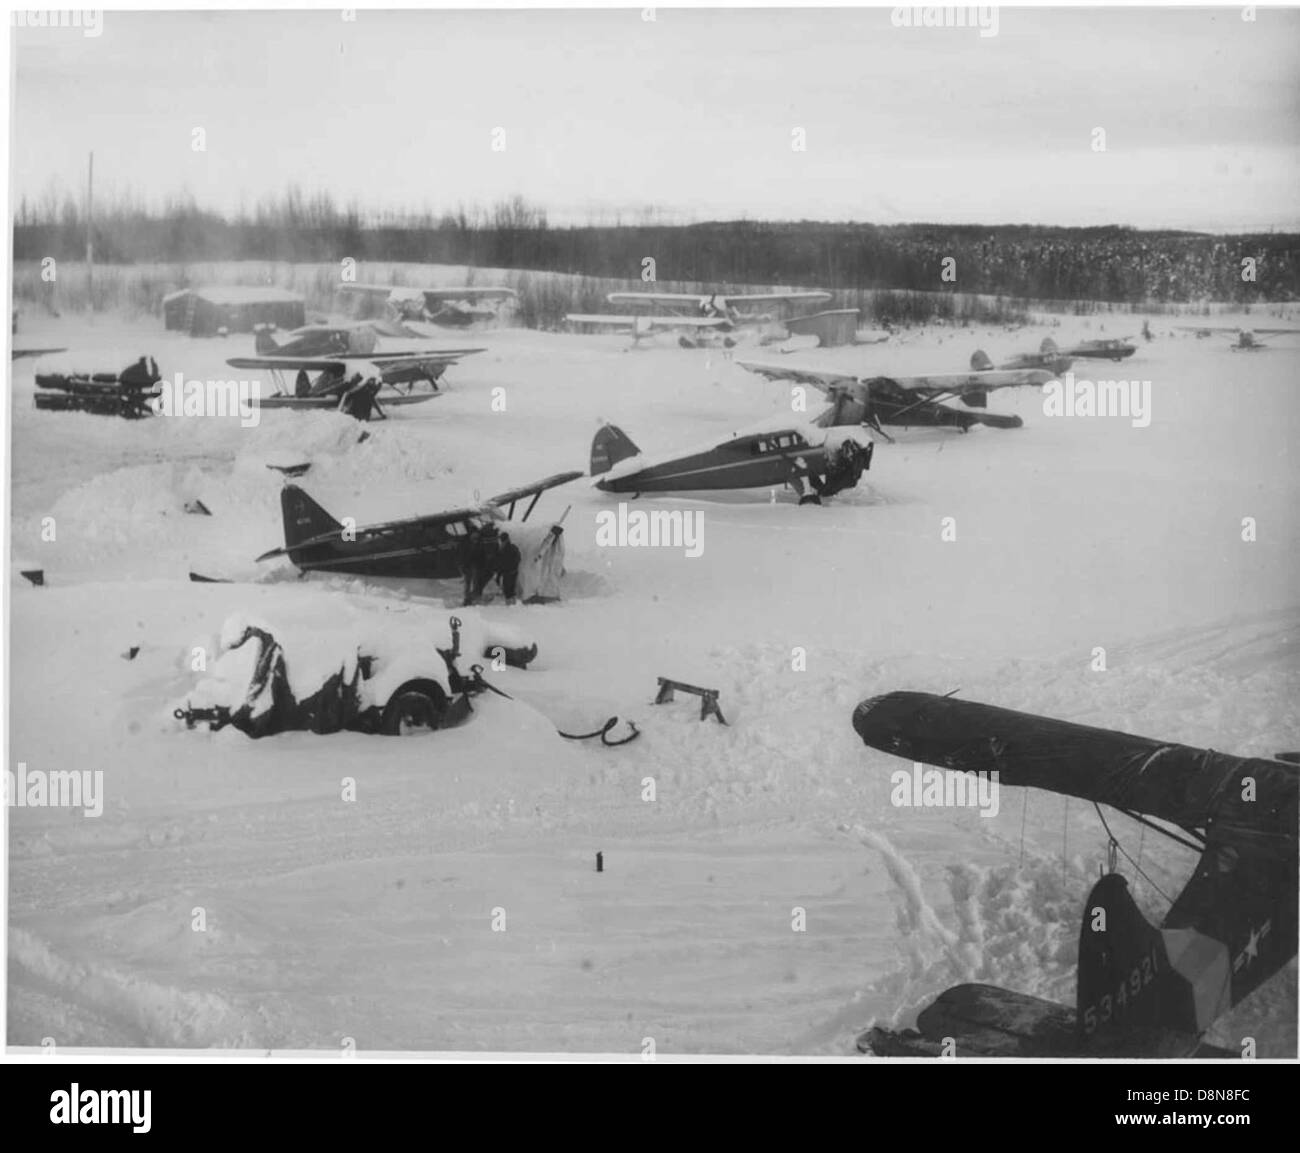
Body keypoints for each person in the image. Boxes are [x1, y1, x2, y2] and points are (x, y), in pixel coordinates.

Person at [496, 532, 522, 605]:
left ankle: (510, 605)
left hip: (508, 572)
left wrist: (500, 573)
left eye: (502, 540)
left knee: (508, 590)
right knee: (511, 589)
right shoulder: (513, 547)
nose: (501, 542)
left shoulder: (503, 549)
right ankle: (512, 604)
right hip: (512, 571)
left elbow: (501, 562)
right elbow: (519, 558)